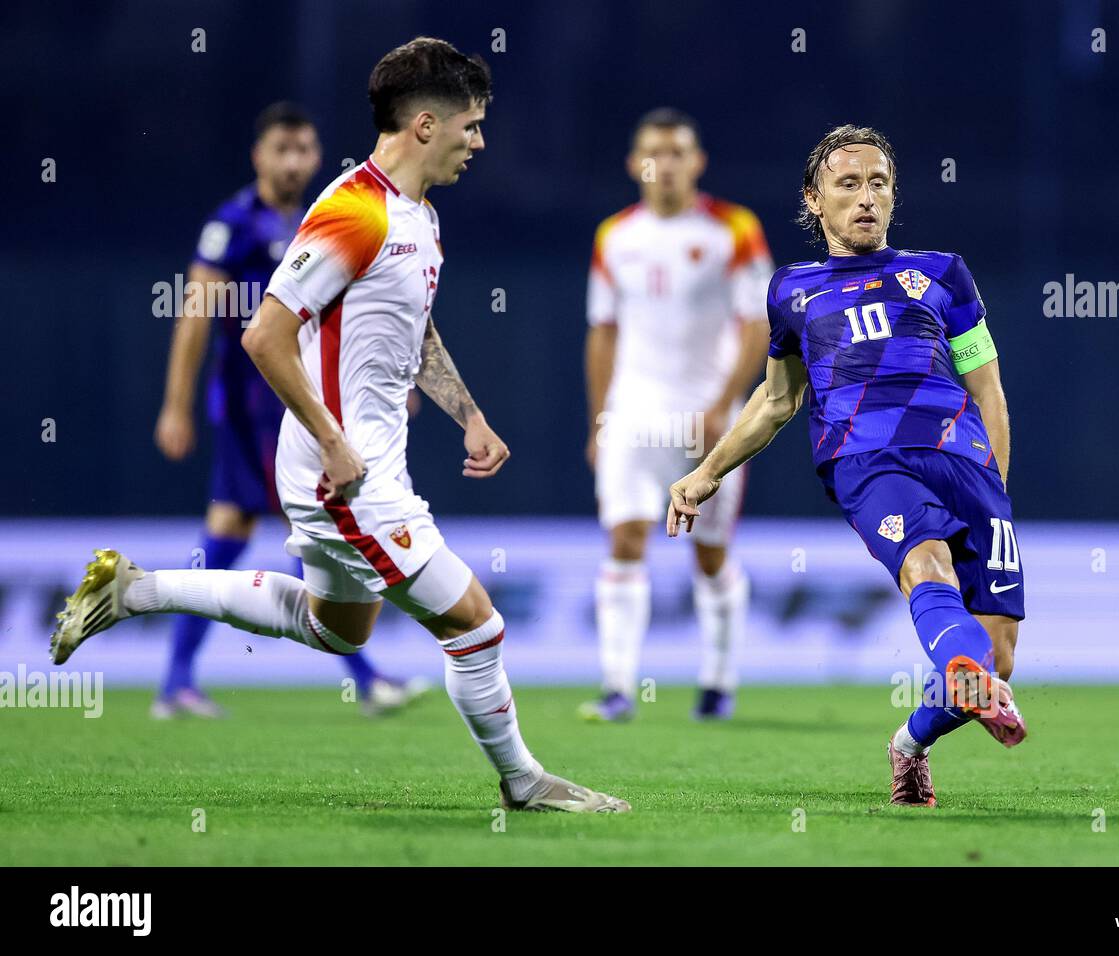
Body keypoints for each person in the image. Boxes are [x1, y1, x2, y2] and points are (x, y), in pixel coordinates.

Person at [53, 37, 627, 813]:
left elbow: (413, 332)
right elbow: (264, 333)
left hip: (360, 462)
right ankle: (525, 782)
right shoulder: (353, 209)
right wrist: (332, 438)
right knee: (477, 624)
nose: (481, 142)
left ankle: (135, 591)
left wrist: (471, 416)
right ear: (426, 125)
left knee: (336, 631)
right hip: (345, 473)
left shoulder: (417, 215)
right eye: (472, 125)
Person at [667, 125, 1027, 806]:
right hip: (865, 458)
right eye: (849, 184)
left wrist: (996, 489)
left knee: (999, 653)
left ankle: (910, 742)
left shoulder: (944, 273)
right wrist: (706, 471)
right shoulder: (793, 291)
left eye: (879, 183)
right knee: (926, 563)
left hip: (965, 460)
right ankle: (960, 669)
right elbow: (777, 401)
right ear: (815, 199)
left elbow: (988, 389)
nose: (867, 198)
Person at [153, 101, 426, 719]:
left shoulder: (324, 216)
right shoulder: (234, 224)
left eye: (305, 149)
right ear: (259, 156)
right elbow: (195, 316)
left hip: (307, 403)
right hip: (253, 408)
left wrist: (392, 377)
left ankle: (176, 683)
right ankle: (362, 676)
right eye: (283, 149)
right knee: (277, 527)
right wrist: (177, 405)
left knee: (253, 527)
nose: (295, 161)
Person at [581, 109, 771, 722]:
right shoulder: (614, 236)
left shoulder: (733, 230)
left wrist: (724, 403)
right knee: (625, 539)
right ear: (637, 164)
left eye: (678, 152)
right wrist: (598, 418)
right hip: (635, 413)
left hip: (708, 419)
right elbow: (603, 332)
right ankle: (616, 688)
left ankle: (718, 682)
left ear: (698, 162)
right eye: (653, 153)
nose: (665, 165)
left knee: (709, 553)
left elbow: (758, 322)